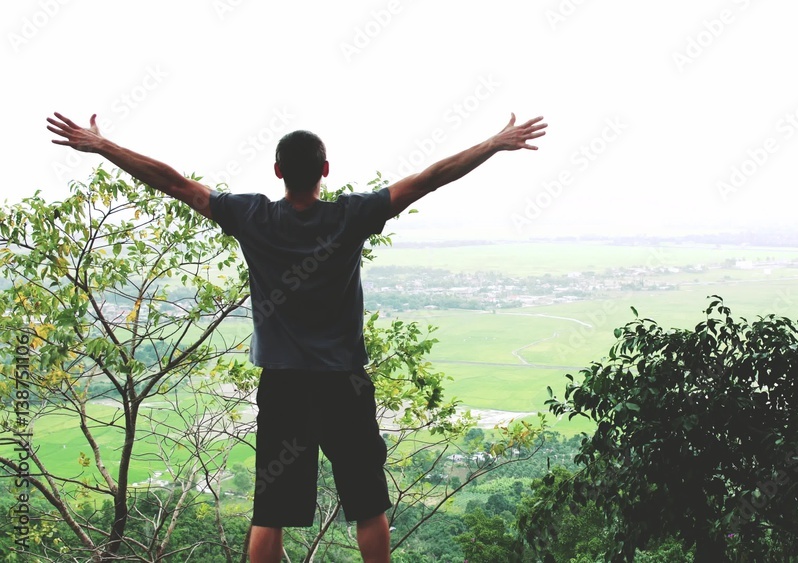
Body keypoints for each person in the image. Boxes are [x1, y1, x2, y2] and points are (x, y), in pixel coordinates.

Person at [47, 111, 547, 563]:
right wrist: (494, 142)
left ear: (277, 171)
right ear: (325, 170)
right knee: (369, 507)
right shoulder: (350, 216)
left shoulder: (252, 217)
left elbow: (175, 183)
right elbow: (430, 179)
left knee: (271, 513)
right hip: (344, 385)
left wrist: (103, 146)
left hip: (285, 387)